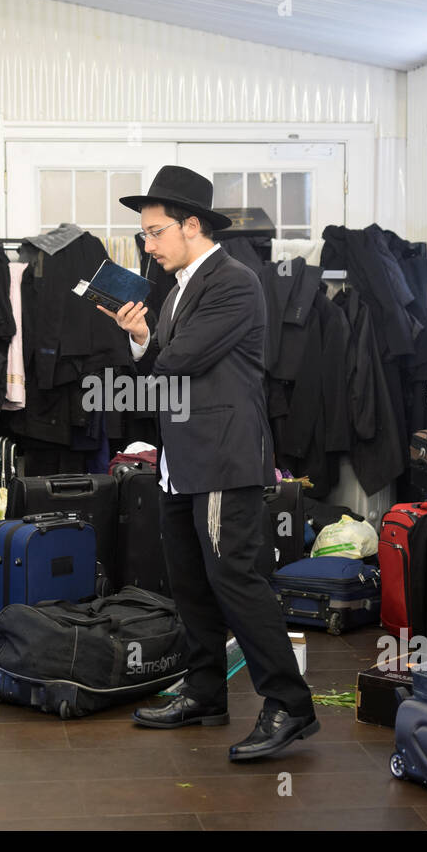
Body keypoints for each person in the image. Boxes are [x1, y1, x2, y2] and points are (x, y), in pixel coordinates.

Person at [97, 165, 318, 761]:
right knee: (190, 583)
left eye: (154, 231)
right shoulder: (175, 290)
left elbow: (181, 363)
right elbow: (159, 377)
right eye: (144, 234)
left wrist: (150, 345)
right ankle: (203, 693)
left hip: (223, 460)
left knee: (237, 583)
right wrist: (141, 338)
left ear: (192, 225)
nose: (147, 244)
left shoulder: (234, 283)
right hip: (182, 462)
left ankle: (289, 706)